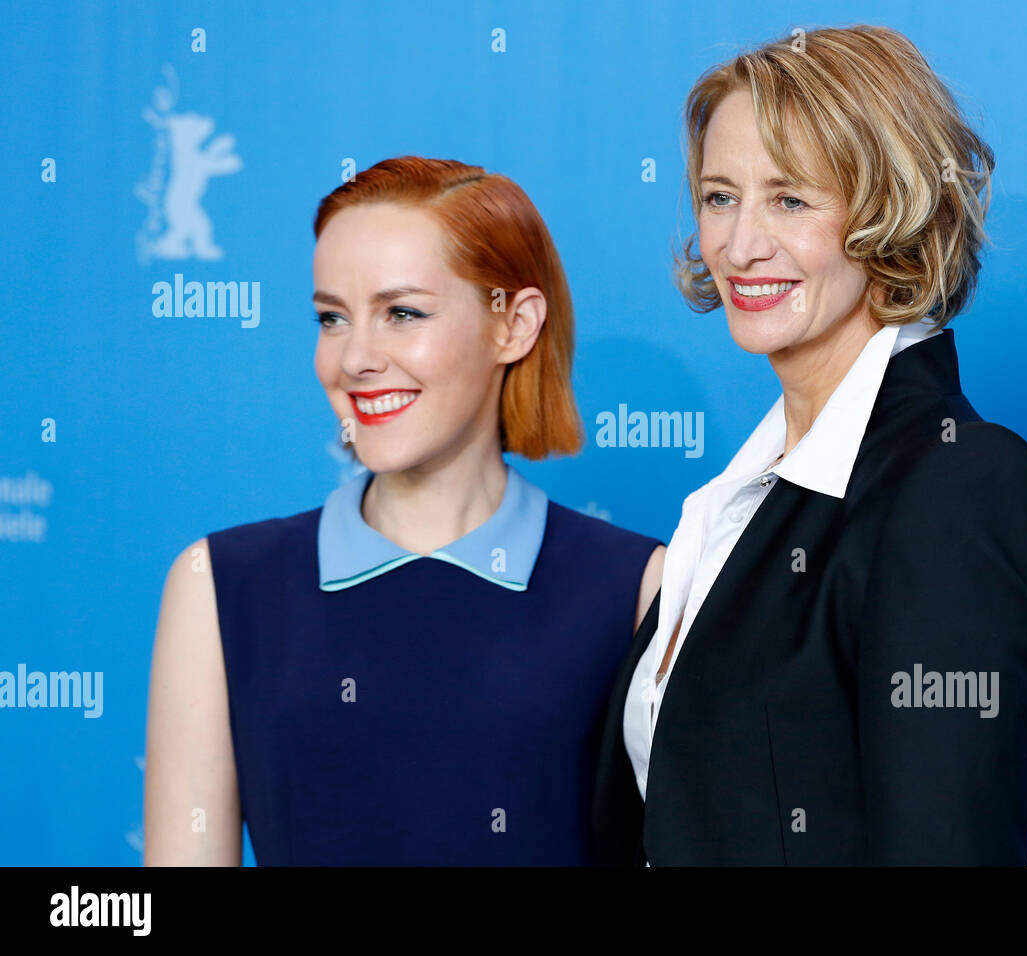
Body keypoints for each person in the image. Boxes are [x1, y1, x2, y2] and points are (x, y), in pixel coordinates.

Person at [593, 25, 1027, 865]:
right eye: (718, 196)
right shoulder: (735, 504)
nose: (740, 245)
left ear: (890, 208)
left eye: (790, 198)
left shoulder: (958, 484)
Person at [145, 156, 665, 865]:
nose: (355, 357)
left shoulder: (638, 588)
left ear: (514, 325)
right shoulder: (221, 584)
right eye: (332, 317)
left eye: (402, 313)